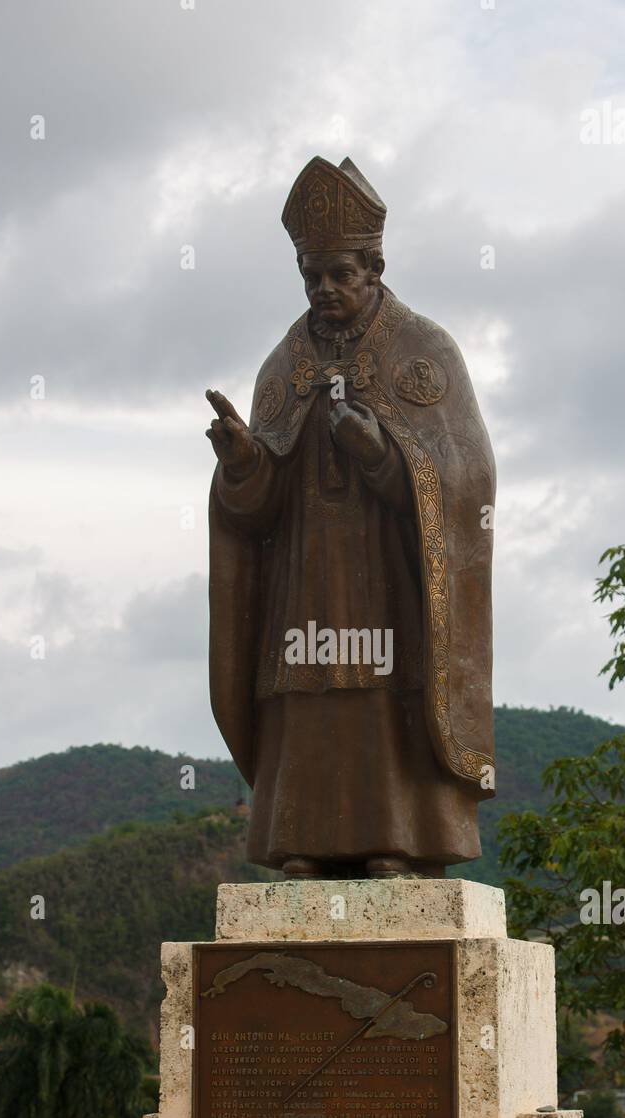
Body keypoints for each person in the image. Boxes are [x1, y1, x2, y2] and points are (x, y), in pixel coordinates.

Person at [206, 156, 496, 879]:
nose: (324, 289)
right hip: (301, 581)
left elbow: (470, 476)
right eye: (311, 275)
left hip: (388, 580)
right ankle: (301, 839)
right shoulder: (283, 364)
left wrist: (383, 455)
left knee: (381, 687)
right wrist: (243, 462)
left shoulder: (424, 351)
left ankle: (393, 840)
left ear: (374, 267)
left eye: (339, 273)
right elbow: (257, 508)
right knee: (304, 689)